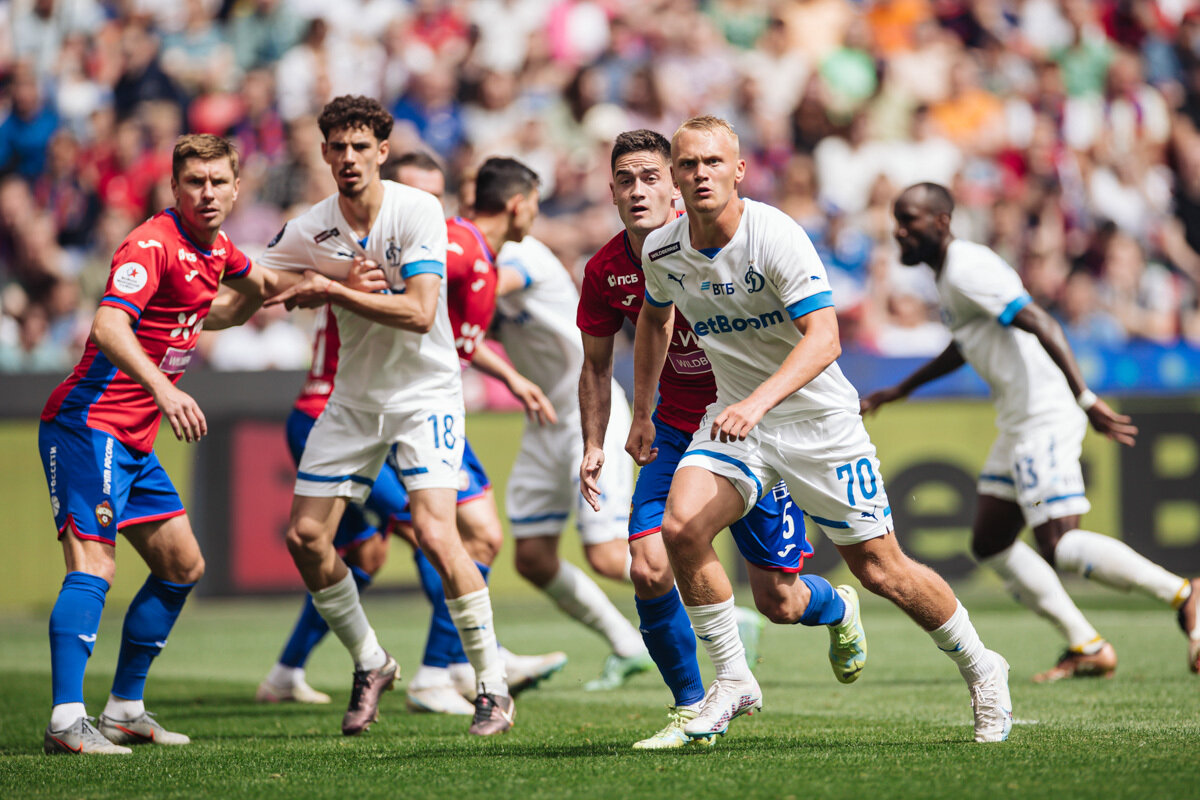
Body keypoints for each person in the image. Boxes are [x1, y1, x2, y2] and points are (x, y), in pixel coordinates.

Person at [629, 117, 1013, 744]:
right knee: (681, 527)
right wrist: (643, 410)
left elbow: (826, 337)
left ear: (738, 170)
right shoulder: (662, 250)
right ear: (674, 175)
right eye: (689, 164)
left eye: (713, 162)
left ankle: (981, 665)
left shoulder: (776, 234)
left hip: (817, 422)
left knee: (881, 571)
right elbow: (653, 318)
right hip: (738, 424)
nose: (701, 173)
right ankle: (732, 681)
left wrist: (757, 402)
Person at [577, 129, 865, 750]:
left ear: (676, 182)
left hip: (749, 423)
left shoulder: (716, 238)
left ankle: (838, 607)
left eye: (651, 176)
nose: (638, 190)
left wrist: (766, 402)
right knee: (649, 566)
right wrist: (607, 435)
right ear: (612, 191)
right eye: (625, 180)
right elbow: (598, 364)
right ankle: (694, 705)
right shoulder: (606, 271)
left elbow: (811, 328)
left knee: (780, 602)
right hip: (680, 427)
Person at [254, 152, 566, 715]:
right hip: (338, 409)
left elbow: (443, 334)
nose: (433, 214)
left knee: (367, 553)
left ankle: (291, 670)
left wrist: (514, 377)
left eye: (439, 197)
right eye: (421, 195)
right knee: (454, 534)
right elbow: (268, 281)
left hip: (397, 406)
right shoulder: (359, 246)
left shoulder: (428, 251)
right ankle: (446, 668)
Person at [863, 182, 1200, 679]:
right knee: (990, 542)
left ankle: (1184, 593)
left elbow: (1041, 320)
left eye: (909, 220)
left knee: (1060, 544)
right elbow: (965, 344)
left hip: (1044, 415)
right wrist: (900, 390)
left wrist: (1086, 399)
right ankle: (1086, 644)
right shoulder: (949, 276)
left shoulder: (968, 267)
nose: (900, 231)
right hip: (1019, 420)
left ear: (942, 222)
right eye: (897, 220)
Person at [38, 134, 275, 754]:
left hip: (132, 438)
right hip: (89, 423)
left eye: (218, 182)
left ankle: (123, 710)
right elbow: (109, 324)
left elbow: (232, 299)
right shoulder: (152, 243)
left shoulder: (218, 248)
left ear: (235, 187)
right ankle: (67, 721)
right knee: (94, 566)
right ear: (175, 188)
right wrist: (166, 392)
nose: (207, 193)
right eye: (194, 182)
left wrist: (278, 291)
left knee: (182, 565)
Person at [492, 226, 655, 690]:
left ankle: (720, 607)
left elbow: (480, 293)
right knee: (532, 557)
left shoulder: (522, 256)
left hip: (590, 414)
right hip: (543, 420)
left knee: (606, 554)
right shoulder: (475, 263)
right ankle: (626, 644)